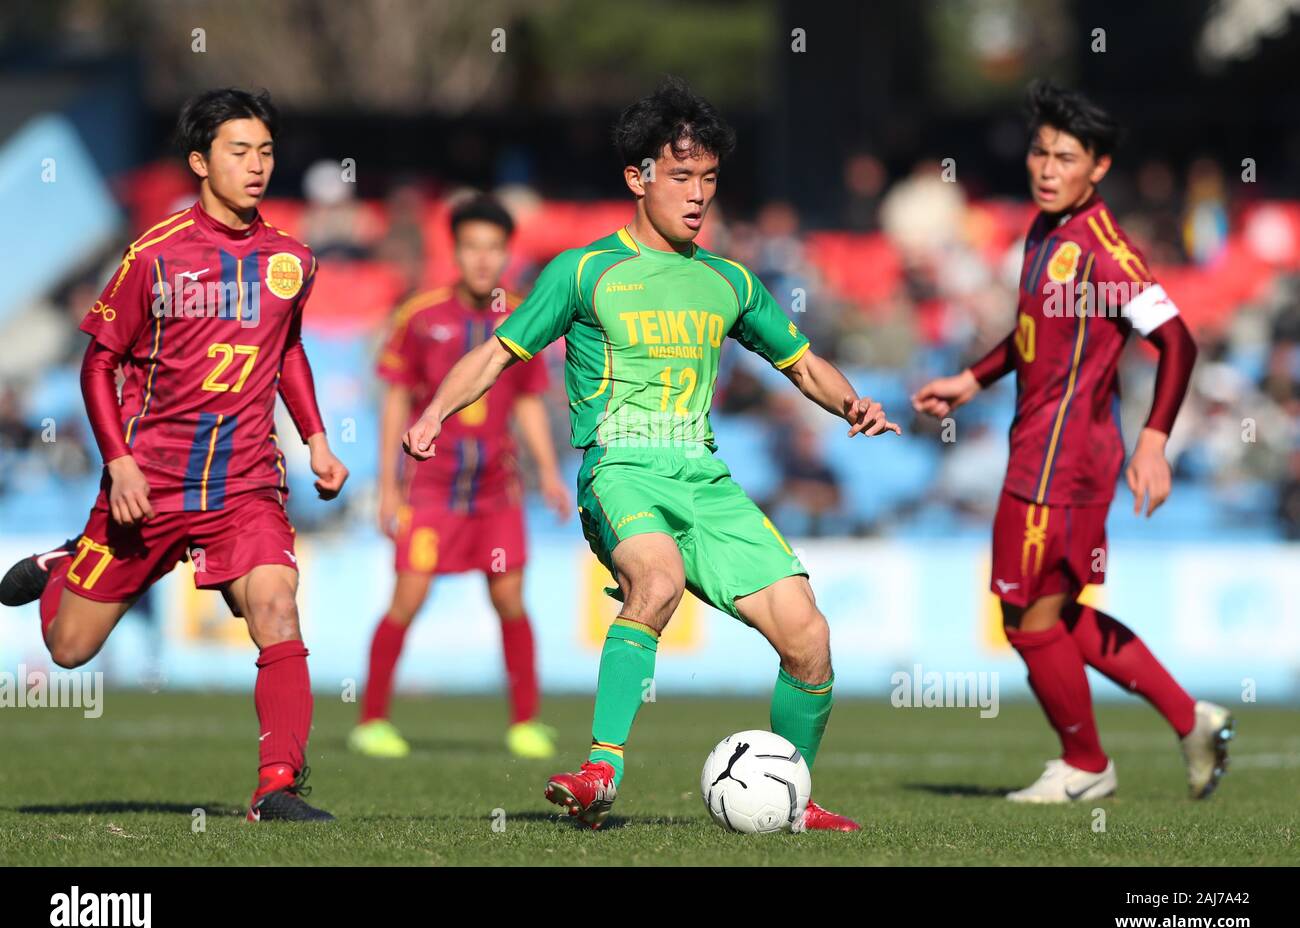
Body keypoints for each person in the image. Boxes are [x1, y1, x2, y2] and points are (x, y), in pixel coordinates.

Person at [402, 78, 901, 830]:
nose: (697, 194)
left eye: (707, 179)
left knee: (809, 635)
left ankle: (792, 801)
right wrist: (435, 410)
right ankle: (601, 768)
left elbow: (801, 365)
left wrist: (852, 401)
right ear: (637, 178)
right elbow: (499, 354)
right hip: (621, 468)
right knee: (658, 578)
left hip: (704, 476)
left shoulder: (729, 281)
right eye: (680, 177)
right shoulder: (582, 271)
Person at [0, 88, 349, 822]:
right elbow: (98, 363)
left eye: (265, 152)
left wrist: (315, 437)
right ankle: (68, 563)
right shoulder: (153, 256)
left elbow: (287, 352)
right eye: (238, 151)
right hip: (149, 484)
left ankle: (276, 786)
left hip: (246, 484)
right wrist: (120, 461)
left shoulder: (290, 261)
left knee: (277, 608)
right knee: (68, 651)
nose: (256, 166)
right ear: (200, 162)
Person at [912, 81, 1233, 804]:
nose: (1046, 167)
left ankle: (1087, 766)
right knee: (1048, 611)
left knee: (1027, 622)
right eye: (1039, 151)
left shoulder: (1105, 251)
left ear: (1099, 167)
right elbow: (1034, 337)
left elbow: (1178, 342)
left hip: (1063, 464)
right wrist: (973, 378)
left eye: (1066, 157)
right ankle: (1192, 719)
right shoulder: (1043, 230)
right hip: (1044, 450)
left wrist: (1154, 440)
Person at [350, 194, 569, 760]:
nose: (482, 259)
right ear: (455, 251)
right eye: (471, 246)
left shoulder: (521, 314)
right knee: (408, 598)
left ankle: (525, 723)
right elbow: (396, 401)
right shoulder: (421, 316)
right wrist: (390, 485)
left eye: (493, 248)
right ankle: (371, 720)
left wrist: (548, 473)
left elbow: (525, 402)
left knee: (511, 600)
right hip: (432, 490)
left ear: (504, 253)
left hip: (497, 491)